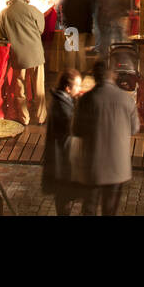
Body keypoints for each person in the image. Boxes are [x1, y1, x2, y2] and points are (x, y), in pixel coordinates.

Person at [72, 58, 139, 215]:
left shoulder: (87, 100)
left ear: (95, 77)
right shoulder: (127, 99)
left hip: (93, 165)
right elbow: (134, 128)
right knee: (110, 209)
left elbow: (77, 130)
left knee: (90, 207)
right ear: (112, 76)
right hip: (118, 166)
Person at [0, 0, 47, 125]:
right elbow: (41, 29)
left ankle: (24, 118)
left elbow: (3, 33)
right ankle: (41, 117)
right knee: (39, 87)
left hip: (19, 54)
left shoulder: (4, 13)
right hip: (36, 53)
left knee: (20, 88)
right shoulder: (32, 10)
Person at [42, 69, 82, 215]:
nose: (80, 89)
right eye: (77, 86)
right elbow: (72, 127)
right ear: (68, 88)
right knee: (64, 197)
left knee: (65, 197)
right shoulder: (62, 105)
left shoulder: (62, 100)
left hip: (62, 159)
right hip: (61, 160)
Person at [58, 0, 94, 72]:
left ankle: (71, 70)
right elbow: (89, 11)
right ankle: (82, 69)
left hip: (71, 26)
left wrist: (64, 25)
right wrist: (89, 27)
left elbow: (62, 10)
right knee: (80, 49)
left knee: (71, 50)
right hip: (82, 26)